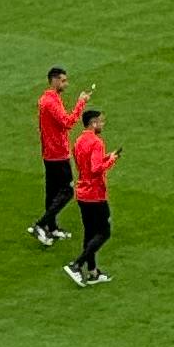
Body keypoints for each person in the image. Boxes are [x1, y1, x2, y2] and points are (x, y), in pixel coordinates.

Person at [33, 64, 89, 243]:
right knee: (67, 190)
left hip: (51, 152)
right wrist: (81, 103)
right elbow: (67, 122)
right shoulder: (50, 101)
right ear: (54, 80)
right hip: (57, 153)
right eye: (63, 80)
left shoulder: (49, 99)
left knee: (52, 192)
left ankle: (52, 227)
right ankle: (41, 224)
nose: (66, 84)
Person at [64, 106, 116, 283]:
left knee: (90, 232)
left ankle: (93, 272)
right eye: (101, 121)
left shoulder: (79, 141)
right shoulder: (96, 142)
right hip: (95, 194)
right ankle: (76, 265)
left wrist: (105, 157)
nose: (102, 124)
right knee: (104, 232)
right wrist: (110, 161)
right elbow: (95, 169)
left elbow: (86, 164)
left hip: (82, 192)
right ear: (93, 123)